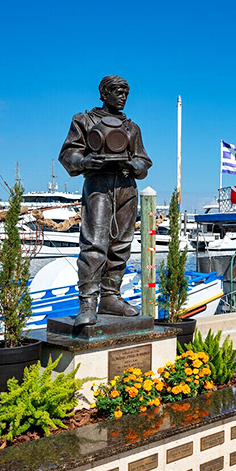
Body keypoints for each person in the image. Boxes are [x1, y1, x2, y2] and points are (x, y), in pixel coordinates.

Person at [59, 75, 152, 326]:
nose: (122, 97)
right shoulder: (84, 120)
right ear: (104, 93)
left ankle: (111, 296)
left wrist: (134, 165)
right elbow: (69, 153)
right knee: (94, 243)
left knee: (121, 244)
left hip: (125, 185)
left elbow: (143, 161)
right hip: (98, 185)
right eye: (117, 92)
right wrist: (85, 161)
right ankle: (88, 302)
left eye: (126, 93)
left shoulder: (132, 128)